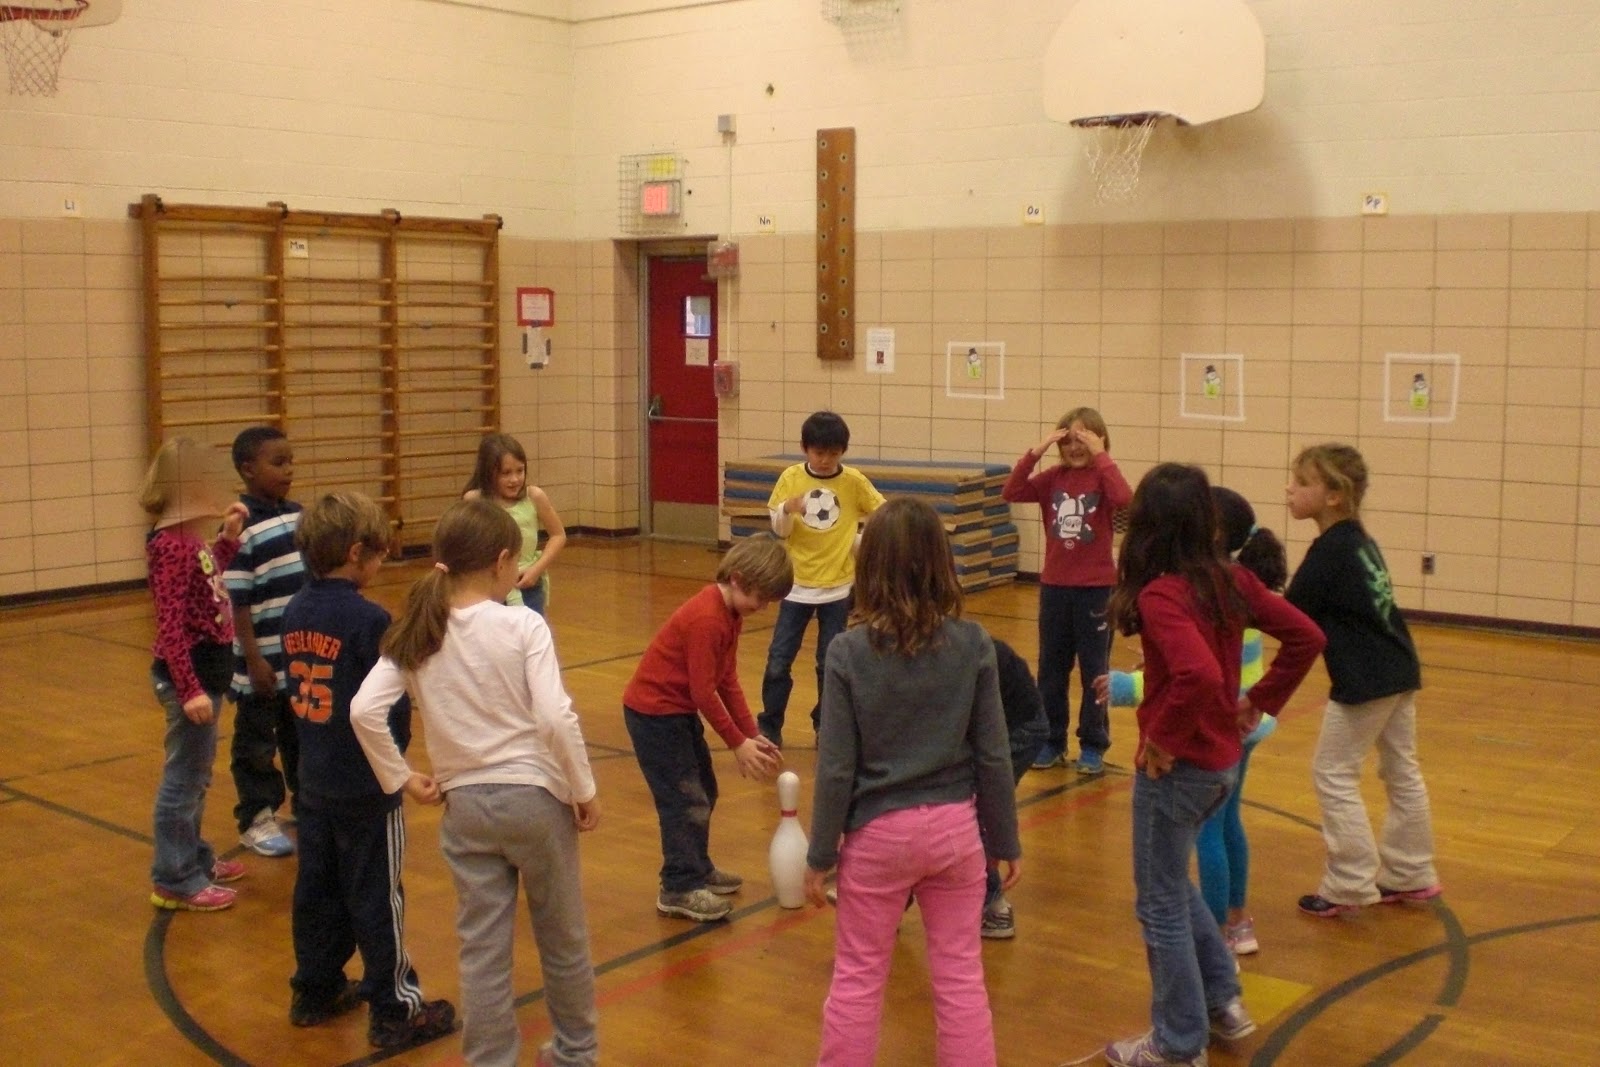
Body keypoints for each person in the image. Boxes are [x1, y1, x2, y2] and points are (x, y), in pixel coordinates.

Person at [350, 498, 599, 1067]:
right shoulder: (523, 623)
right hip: (536, 802)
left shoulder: (420, 629)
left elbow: (363, 710)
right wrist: (583, 789)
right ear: (501, 561)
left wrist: (401, 777)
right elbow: (555, 717)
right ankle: (575, 1054)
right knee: (562, 941)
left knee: (482, 954)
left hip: (465, 810)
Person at [1102, 463, 1322, 1067]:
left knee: (1158, 903)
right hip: (1221, 764)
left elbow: (1197, 674)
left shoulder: (1162, 594)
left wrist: (1164, 740)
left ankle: (1178, 1044)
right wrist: (1259, 701)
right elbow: (1307, 637)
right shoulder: (1234, 580)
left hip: (1179, 772)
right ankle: (1223, 999)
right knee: (1174, 886)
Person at [804, 497, 1021, 1067]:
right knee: (961, 979)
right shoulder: (974, 643)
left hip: (878, 838)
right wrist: (1004, 839)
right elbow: (993, 755)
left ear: (869, 564)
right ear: (942, 563)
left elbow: (836, 767)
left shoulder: (846, 651)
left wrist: (820, 853)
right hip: (955, 835)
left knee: (857, 978)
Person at [281, 492, 456, 1047]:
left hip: (314, 783)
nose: (381, 563)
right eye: (379, 553)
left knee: (318, 893)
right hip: (364, 789)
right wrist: (399, 768)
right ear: (357, 553)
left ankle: (315, 990)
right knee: (378, 896)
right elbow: (389, 707)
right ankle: (396, 1009)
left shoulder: (294, 610)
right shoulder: (369, 619)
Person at [1105, 487, 1290, 955]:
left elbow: (1198, 677)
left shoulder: (1204, 596)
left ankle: (1214, 935)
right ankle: (1238, 921)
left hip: (1220, 726)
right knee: (1228, 823)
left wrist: (1129, 689)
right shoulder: (1234, 588)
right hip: (1245, 722)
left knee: (1209, 832)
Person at [1285, 443, 1441, 918]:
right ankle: (1411, 872)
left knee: (1333, 774)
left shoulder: (1331, 549)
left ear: (1334, 495)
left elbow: (1289, 614)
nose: (1290, 490)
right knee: (1401, 771)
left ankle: (1349, 882)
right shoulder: (1359, 540)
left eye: (1302, 482)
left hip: (1366, 679)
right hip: (1398, 668)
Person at [623, 536, 792, 922]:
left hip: (675, 713)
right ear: (737, 579)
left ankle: (696, 868)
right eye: (760, 598)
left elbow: (726, 678)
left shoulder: (730, 615)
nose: (763, 608)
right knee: (684, 800)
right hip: (654, 717)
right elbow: (703, 692)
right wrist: (736, 743)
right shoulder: (708, 619)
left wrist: (750, 733)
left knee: (704, 791)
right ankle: (678, 886)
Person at [140, 437, 250, 912]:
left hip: (208, 672)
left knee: (197, 777)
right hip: (192, 678)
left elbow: (207, 580)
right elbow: (170, 624)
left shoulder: (189, 540)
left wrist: (226, 540)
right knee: (184, 781)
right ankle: (175, 877)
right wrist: (189, 690)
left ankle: (195, 858)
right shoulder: (170, 545)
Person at [1001, 407, 1132, 774]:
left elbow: (1125, 500)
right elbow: (1011, 490)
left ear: (1100, 441)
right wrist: (1037, 451)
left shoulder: (1104, 477)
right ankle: (1052, 741)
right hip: (1055, 588)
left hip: (1096, 591)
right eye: (1068, 440)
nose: (1075, 447)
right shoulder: (1053, 479)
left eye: (1083, 439)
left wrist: (1102, 457)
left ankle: (1093, 743)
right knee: (1051, 669)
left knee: (1094, 670)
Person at [758, 411, 886, 748]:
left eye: (833, 453)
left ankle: (825, 725)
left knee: (829, 664)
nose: (826, 460)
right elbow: (779, 530)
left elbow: (882, 514)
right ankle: (769, 725)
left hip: (837, 588)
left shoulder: (854, 481)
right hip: (796, 587)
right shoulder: (791, 477)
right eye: (818, 453)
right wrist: (787, 509)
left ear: (843, 451)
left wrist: (860, 542)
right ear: (804, 449)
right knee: (778, 661)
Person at [223, 425, 304, 858]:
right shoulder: (241, 528)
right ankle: (257, 816)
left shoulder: (299, 516)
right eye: (278, 463)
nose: (288, 470)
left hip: (299, 659)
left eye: (290, 461)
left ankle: (307, 804)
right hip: (262, 663)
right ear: (248, 469)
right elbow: (237, 601)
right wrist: (253, 658)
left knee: (301, 738)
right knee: (256, 745)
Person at [980, 638, 1047, 940]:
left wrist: (1005, 842)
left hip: (1020, 726)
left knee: (975, 804)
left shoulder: (966, 651)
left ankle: (993, 906)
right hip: (998, 719)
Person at [462, 432, 567, 616]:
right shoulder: (475, 500)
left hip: (526, 583)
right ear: (488, 473)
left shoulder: (534, 496)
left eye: (520, 471)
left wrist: (536, 570)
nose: (515, 479)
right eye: (506, 473)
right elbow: (467, 547)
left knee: (529, 629)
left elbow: (558, 535)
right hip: (490, 585)